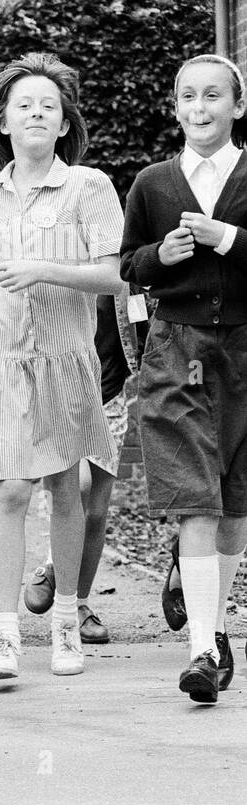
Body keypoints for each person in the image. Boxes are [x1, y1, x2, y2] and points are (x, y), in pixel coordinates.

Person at [0, 53, 127, 682]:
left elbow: (114, 277)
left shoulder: (91, 187)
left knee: (66, 488)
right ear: (3, 122)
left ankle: (65, 623)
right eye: (23, 105)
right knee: (9, 491)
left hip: (67, 361)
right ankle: (6, 636)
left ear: (64, 126)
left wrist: (41, 270)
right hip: (5, 364)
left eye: (49, 106)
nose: (36, 113)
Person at [120, 53, 247, 703]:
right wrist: (157, 257)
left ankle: (216, 625)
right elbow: (129, 265)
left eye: (214, 96)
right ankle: (202, 648)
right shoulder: (153, 182)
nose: (200, 107)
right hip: (177, 351)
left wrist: (227, 238)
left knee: (233, 504)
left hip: (244, 352)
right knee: (197, 498)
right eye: (188, 97)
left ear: (237, 105)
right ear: (176, 107)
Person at [22, 287, 147, 644]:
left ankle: (79, 604)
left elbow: (139, 324)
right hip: (62, 389)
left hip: (109, 398)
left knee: (96, 511)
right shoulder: (59, 258)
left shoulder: (120, 269)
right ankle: (52, 561)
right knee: (77, 486)